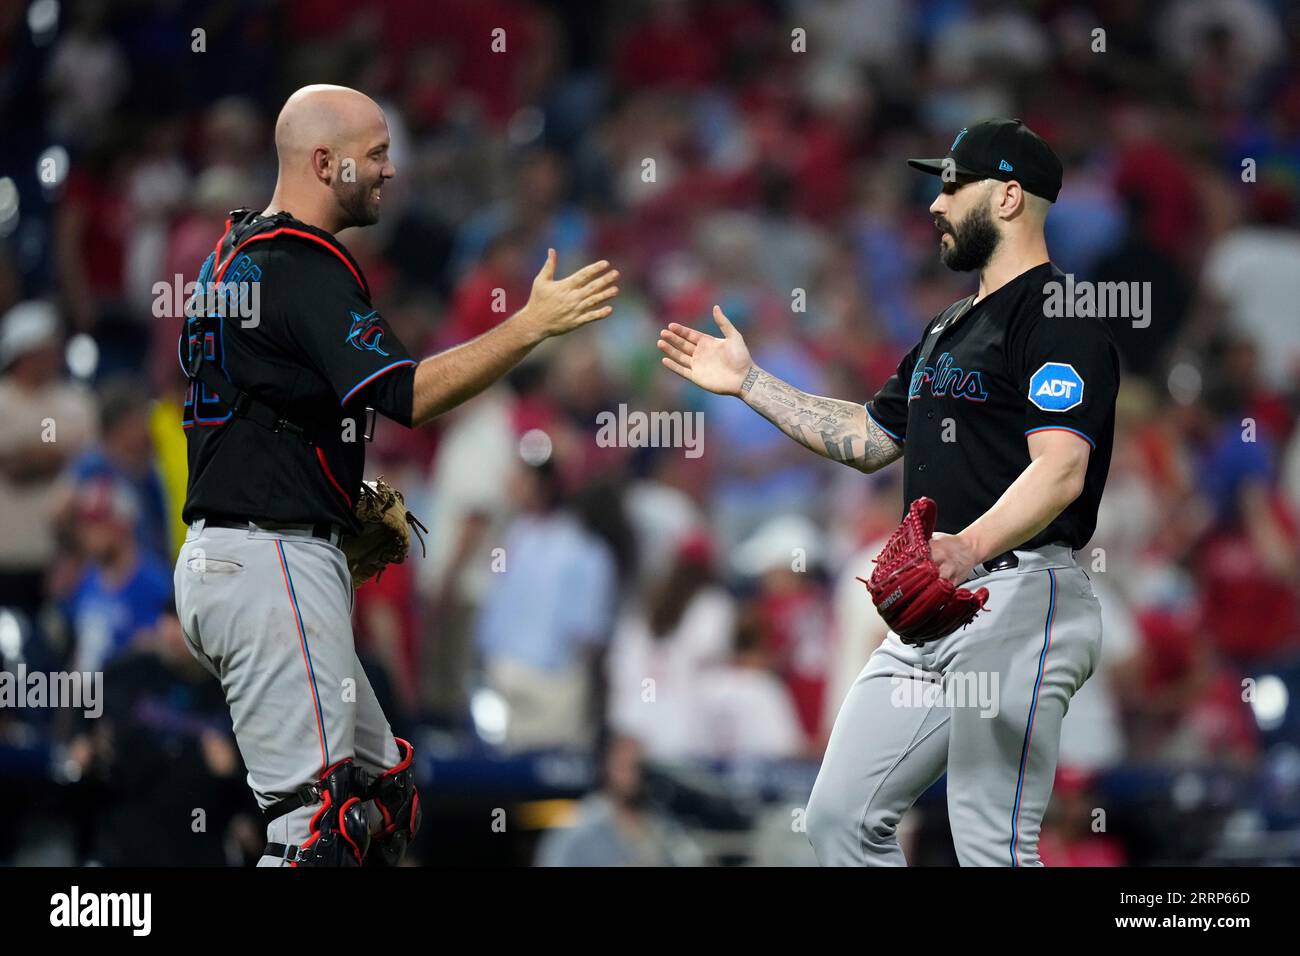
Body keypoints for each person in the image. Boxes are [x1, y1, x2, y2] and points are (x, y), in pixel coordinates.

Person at [173, 84, 619, 866]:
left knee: (382, 802)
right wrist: (529, 326)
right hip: (269, 559)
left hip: (243, 554)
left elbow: (264, 412)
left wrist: (325, 495)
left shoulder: (230, 257)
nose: (390, 170)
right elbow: (406, 395)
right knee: (317, 836)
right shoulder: (300, 264)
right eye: (376, 154)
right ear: (323, 161)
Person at [658, 119, 1120, 866]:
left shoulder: (1060, 313)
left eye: (950, 184)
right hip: (934, 609)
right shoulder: (947, 326)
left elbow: (1061, 467)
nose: (934, 205)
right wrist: (750, 384)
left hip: (1022, 593)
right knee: (838, 818)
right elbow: (870, 438)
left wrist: (967, 547)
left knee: (988, 844)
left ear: (1008, 196)